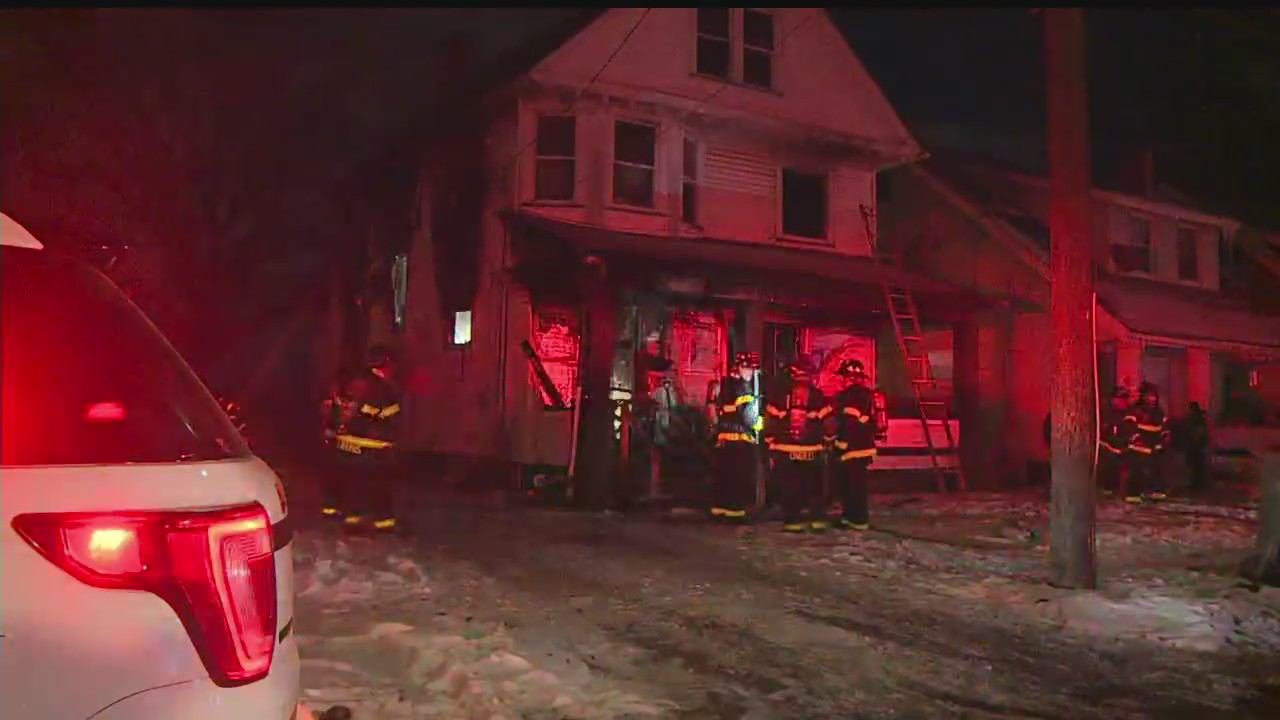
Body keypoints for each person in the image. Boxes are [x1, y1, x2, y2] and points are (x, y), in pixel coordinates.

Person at [321, 345, 403, 532]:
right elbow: (391, 421)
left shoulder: (350, 384)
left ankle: (352, 521)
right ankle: (384, 525)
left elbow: (334, 412)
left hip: (346, 447)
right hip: (373, 449)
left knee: (353, 487)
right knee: (380, 489)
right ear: (386, 364)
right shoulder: (385, 389)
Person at [764, 358, 833, 533]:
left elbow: (769, 422)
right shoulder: (818, 396)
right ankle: (817, 521)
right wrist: (828, 440)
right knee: (815, 487)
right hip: (813, 450)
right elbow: (830, 423)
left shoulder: (778, 395)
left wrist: (770, 442)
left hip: (786, 450)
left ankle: (793, 521)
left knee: (790, 487)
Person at [711, 351, 763, 522]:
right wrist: (759, 425)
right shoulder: (744, 387)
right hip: (741, 440)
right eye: (750, 369)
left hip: (724, 439)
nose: (751, 373)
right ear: (742, 368)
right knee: (739, 477)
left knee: (724, 476)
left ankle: (721, 509)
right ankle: (736, 512)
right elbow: (749, 417)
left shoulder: (726, 384)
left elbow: (720, 410)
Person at [831, 359, 878, 530]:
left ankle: (857, 520)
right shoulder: (866, 394)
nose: (841, 380)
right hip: (865, 447)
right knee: (853, 484)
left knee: (853, 486)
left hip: (852, 449)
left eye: (843, 377)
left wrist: (839, 446)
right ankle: (850, 517)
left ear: (849, 378)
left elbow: (849, 425)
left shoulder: (849, 397)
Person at [1123, 381, 1167, 504]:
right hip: (1138, 446)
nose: (1152, 399)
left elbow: (1163, 428)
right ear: (1143, 396)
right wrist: (1137, 439)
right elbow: (1130, 426)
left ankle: (1154, 491)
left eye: (1154, 396)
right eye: (1149, 396)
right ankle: (1133, 494)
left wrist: (1161, 443)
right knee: (1137, 470)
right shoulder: (1135, 410)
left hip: (1154, 446)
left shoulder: (1159, 412)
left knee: (1156, 469)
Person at [1098, 385, 1133, 497]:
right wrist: (1108, 445)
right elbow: (1102, 433)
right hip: (1107, 445)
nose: (1123, 401)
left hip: (1126, 446)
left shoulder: (1131, 414)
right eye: (1120, 398)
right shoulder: (1105, 413)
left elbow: (1133, 431)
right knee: (1108, 458)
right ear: (1113, 399)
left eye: (1125, 398)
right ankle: (1107, 487)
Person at [1183, 401, 1210, 493]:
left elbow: (1200, 432)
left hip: (1196, 446)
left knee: (1197, 466)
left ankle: (1198, 483)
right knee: (1197, 466)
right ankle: (1198, 482)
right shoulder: (1195, 419)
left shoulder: (1194, 420)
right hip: (1196, 446)